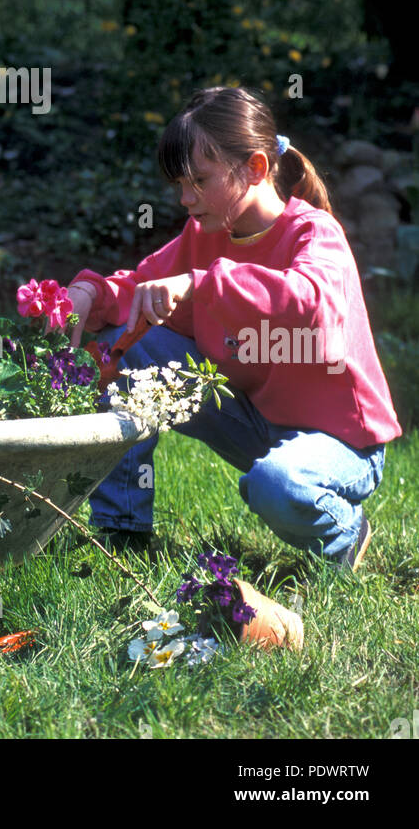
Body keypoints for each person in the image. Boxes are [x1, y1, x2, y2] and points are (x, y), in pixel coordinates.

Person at [67, 86, 402, 570]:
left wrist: (201, 285)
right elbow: (139, 288)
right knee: (126, 349)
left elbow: (308, 305)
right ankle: (121, 529)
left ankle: (345, 534)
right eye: (180, 184)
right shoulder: (204, 235)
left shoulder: (314, 233)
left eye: (199, 181)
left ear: (257, 168)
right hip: (257, 423)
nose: (185, 199)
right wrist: (88, 294)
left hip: (343, 444)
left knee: (277, 484)